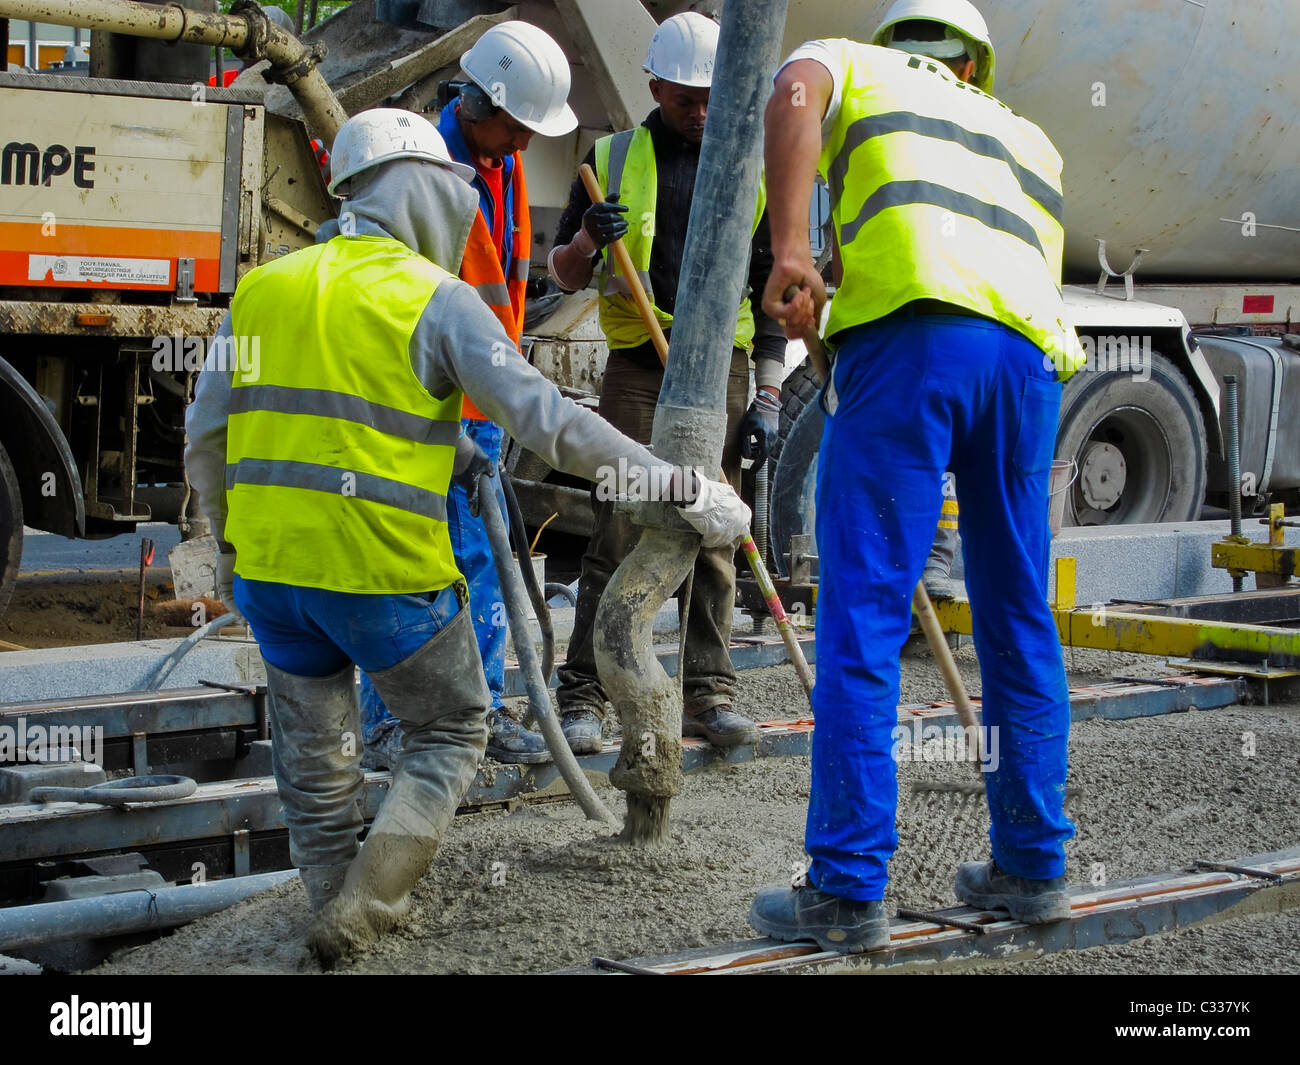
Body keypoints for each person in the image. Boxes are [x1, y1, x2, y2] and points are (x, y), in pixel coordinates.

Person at [184, 108, 750, 967]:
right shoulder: (435, 299)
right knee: (450, 727)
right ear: (422, 195)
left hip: (272, 576)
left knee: (314, 761)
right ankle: (371, 904)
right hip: (382, 577)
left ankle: (330, 899)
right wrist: (679, 485)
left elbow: (209, 434)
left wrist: (227, 545)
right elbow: (550, 422)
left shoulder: (266, 287)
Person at [748, 0, 1083, 953]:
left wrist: (792, 254)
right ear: (975, 66)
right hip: (1026, 369)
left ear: (899, 47)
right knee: (1019, 615)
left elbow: (793, 91)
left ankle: (849, 886)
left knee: (863, 615)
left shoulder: (853, 64)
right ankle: (1032, 867)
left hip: (914, 350)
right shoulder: (1026, 137)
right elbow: (975, 255)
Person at [547, 11, 787, 753]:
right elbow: (560, 272)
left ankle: (709, 694)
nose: (702, 111)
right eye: (686, 98)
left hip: (722, 368)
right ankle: (585, 692)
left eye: (713, 96)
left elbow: (774, 290)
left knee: (717, 530)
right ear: (654, 85)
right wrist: (590, 237)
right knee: (619, 524)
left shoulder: (754, 162)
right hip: (641, 367)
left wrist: (770, 394)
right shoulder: (611, 157)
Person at [358, 20, 578, 767]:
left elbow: (504, 282)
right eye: (518, 129)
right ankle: (391, 718)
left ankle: (475, 713)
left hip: (480, 401)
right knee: (403, 559)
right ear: (482, 101)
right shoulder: (425, 162)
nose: (525, 146)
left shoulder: (501, 162)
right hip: (425, 400)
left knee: (478, 559)